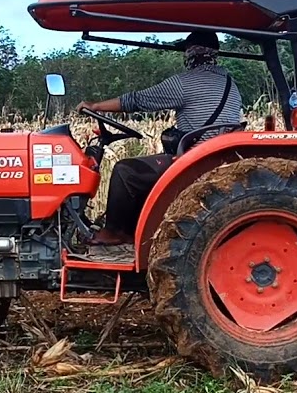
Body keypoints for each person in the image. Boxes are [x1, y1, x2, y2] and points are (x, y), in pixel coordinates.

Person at [76, 30, 243, 246]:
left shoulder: (186, 82)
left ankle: (116, 232)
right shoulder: (231, 84)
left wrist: (96, 106)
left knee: (125, 171)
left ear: (190, 53)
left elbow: (138, 100)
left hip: (195, 162)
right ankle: (137, 230)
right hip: (217, 159)